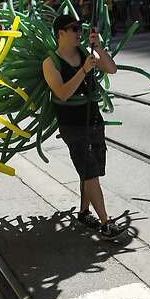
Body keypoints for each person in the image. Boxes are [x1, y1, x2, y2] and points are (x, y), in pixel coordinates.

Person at [42, 15, 125, 241]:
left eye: (79, 28)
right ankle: (106, 223)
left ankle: (84, 212)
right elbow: (62, 93)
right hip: (72, 124)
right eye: (73, 29)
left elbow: (112, 68)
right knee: (89, 171)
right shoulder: (50, 63)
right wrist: (84, 70)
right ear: (60, 33)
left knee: (91, 170)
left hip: (94, 120)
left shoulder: (86, 53)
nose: (79, 32)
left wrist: (97, 48)